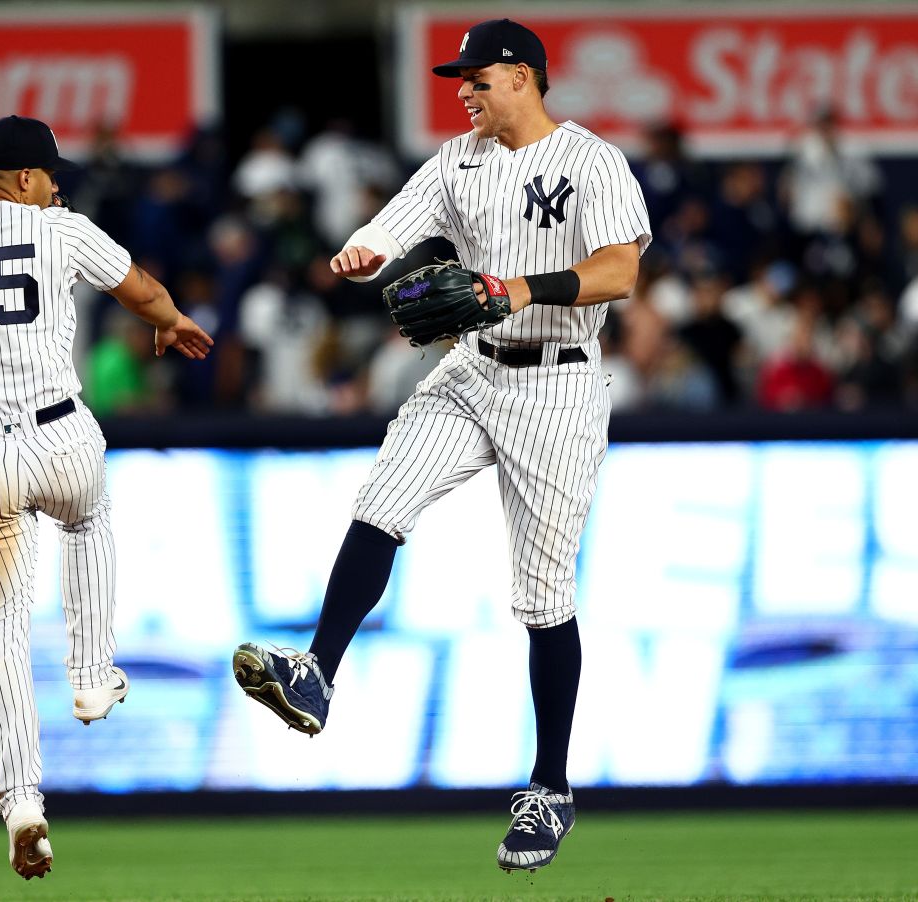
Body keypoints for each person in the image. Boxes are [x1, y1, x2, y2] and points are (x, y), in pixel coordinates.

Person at [232, 19, 649, 873]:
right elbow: (394, 227)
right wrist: (362, 255)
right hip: (471, 370)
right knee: (381, 502)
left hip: (559, 386)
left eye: (479, 77)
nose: (463, 90)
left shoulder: (591, 161)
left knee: (541, 594)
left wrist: (518, 286)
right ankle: (316, 670)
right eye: (459, 78)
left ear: (525, 78)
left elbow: (619, 271)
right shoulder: (457, 160)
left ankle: (550, 790)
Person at [0, 115, 213, 879]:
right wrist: (170, 322)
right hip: (58, 435)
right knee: (88, 518)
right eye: (50, 174)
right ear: (23, 180)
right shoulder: (62, 229)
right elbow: (144, 291)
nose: (57, 185)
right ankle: (92, 677)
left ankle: (23, 802)